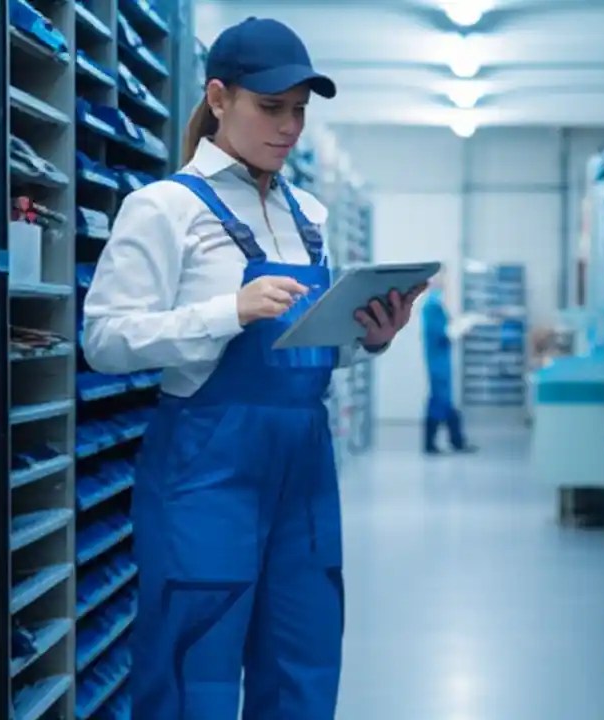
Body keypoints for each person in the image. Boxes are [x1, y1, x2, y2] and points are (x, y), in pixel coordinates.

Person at [81, 17, 422, 720]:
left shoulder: (309, 216)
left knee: (303, 664)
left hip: (305, 464)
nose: (289, 127)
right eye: (271, 107)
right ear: (218, 98)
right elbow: (104, 340)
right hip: (206, 466)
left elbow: (312, 345)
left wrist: (372, 338)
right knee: (193, 677)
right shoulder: (163, 208)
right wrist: (226, 312)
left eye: (299, 109)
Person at [421, 272, 480, 454]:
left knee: (442, 400)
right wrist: (460, 329)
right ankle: (443, 443)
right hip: (438, 362)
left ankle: (454, 441)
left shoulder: (436, 306)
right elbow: (441, 333)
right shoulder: (432, 307)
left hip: (441, 359)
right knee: (441, 401)